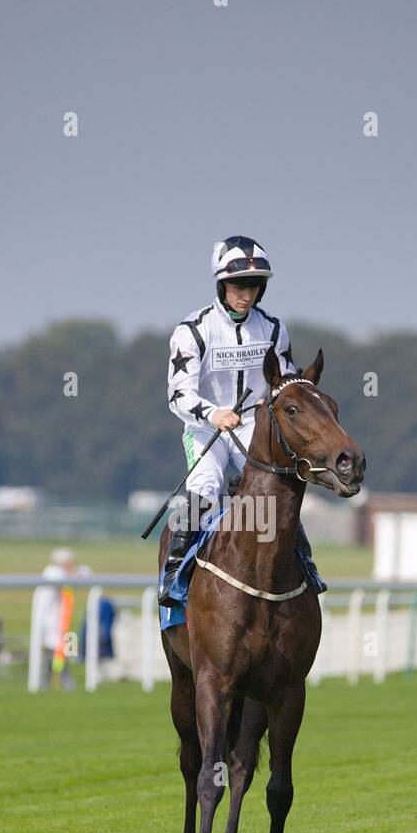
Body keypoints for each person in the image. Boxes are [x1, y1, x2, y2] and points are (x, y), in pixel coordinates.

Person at [159, 234, 322, 603]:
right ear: (221, 284)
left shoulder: (273, 329)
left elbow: (285, 383)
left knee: (279, 494)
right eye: (238, 286)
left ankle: (305, 564)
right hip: (206, 431)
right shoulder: (192, 331)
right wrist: (215, 413)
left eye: (253, 287)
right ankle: (173, 573)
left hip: (254, 427)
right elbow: (178, 394)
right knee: (206, 487)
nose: (245, 295)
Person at [39, 547, 78, 690]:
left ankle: (52, 681)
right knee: (59, 651)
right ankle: (61, 680)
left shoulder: (52, 572)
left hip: (57, 622)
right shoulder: (54, 573)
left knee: (60, 650)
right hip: (53, 622)